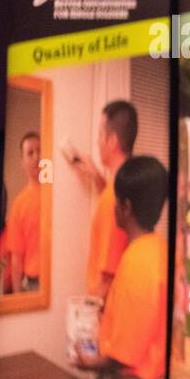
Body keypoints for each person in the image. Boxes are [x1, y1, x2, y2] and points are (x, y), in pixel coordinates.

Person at [72, 155, 169, 379]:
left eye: (115, 201)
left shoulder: (137, 265)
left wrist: (89, 362)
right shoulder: (160, 250)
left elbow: (123, 355)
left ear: (125, 207)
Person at [66, 100, 136, 299]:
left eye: (99, 135)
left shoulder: (112, 200)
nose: (97, 141)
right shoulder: (129, 186)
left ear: (112, 141)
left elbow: (107, 280)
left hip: (108, 309)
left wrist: (88, 314)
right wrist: (97, 177)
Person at [4, 132, 42, 292]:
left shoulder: (57, 195)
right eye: (30, 153)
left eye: (40, 151)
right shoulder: (19, 205)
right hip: (33, 284)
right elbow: (16, 259)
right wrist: (18, 296)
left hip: (59, 278)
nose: (36, 157)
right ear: (22, 162)